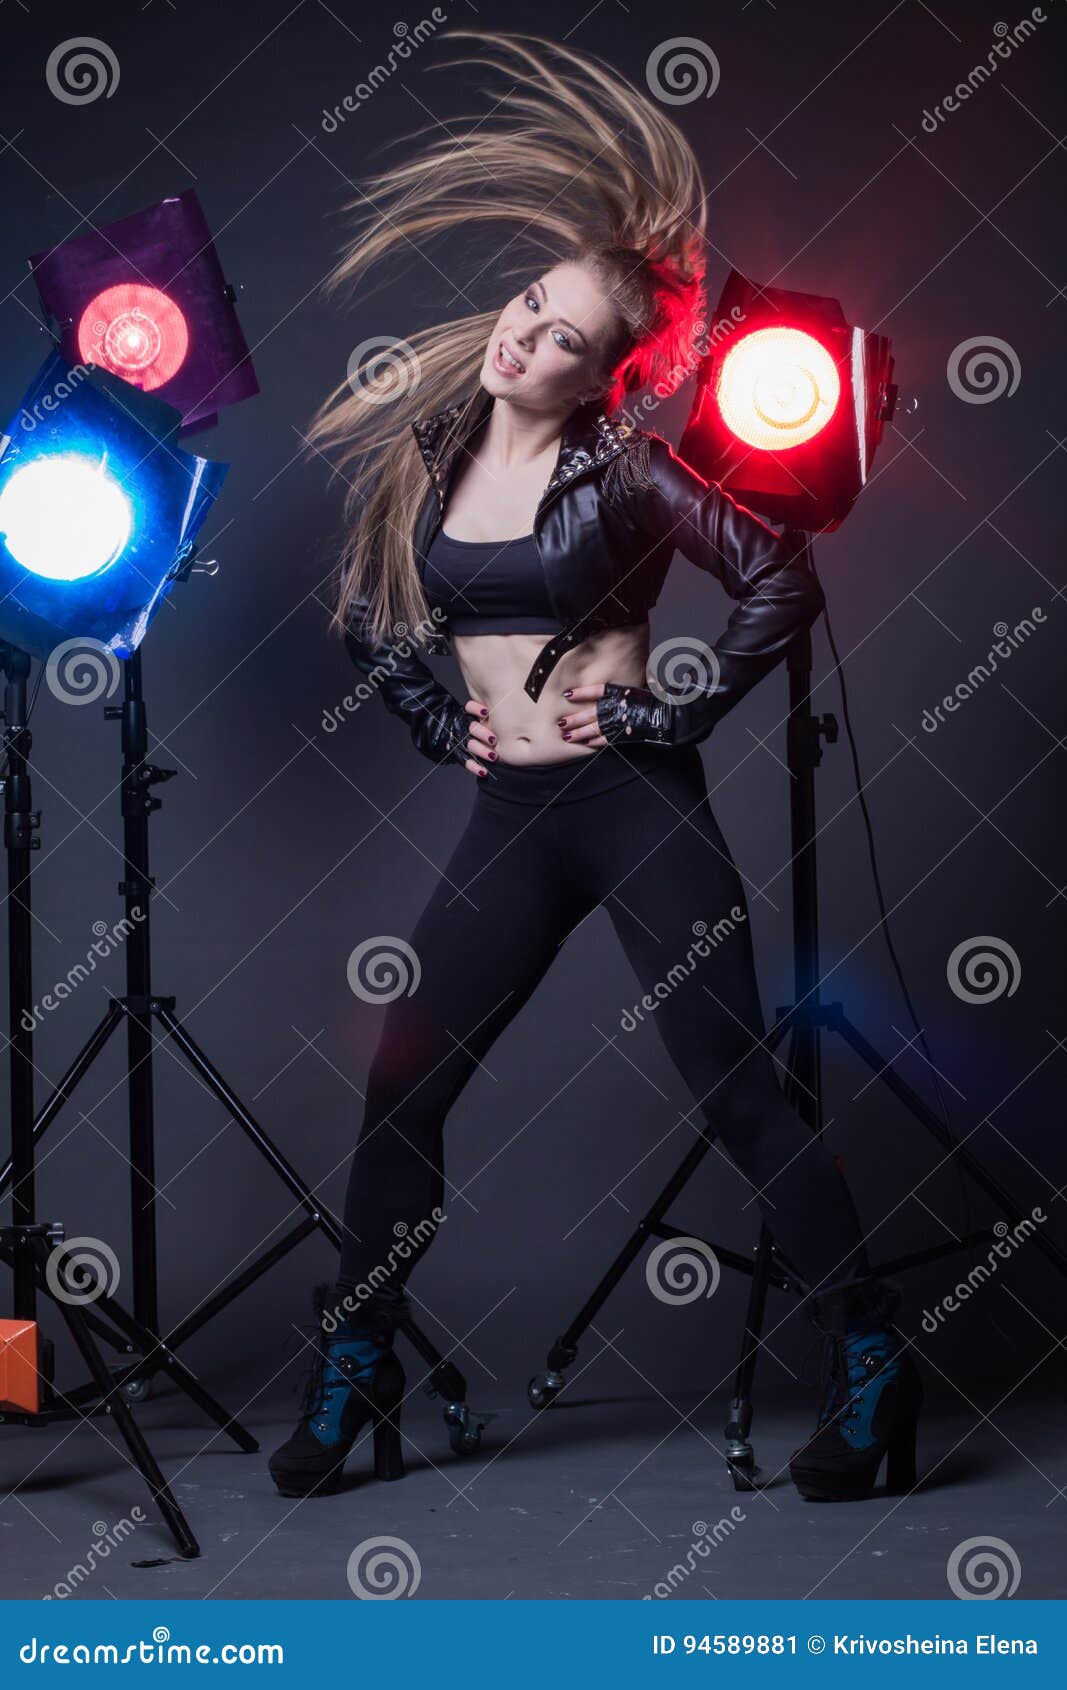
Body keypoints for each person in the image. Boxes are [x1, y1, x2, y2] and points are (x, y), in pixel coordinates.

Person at [269, 31, 921, 1505]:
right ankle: (357, 1358)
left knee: (739, 1095)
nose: (528, 337)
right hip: (512, 811)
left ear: (605, 367)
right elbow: (379, 616)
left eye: (567, 334)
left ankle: (877, 1366)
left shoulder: (624, 468)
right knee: (404, 1097)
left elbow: (778, 582)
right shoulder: (438, 453)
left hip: (631, 808)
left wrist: (670, 716)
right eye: (528, 304)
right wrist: (444, 722)